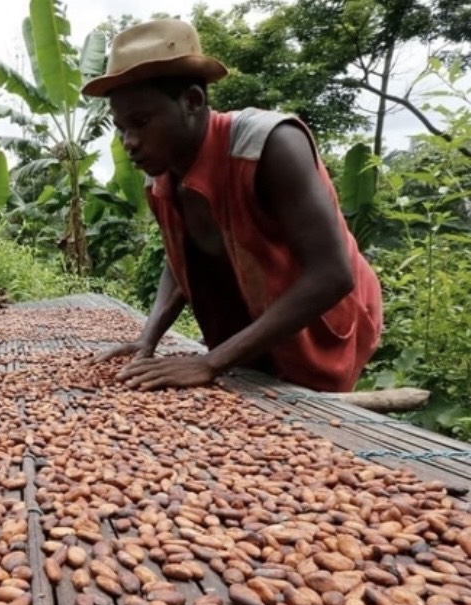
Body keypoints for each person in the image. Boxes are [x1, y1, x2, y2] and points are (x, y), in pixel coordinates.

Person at [85, 19, 382, 392]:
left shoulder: (270, 145)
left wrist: (210, 362)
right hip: (251, 317)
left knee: (311, 413)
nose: (129, 142)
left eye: (141, 122)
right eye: (121, 127)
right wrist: (149, 338)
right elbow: (179, 260)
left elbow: (333, 275)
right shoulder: (161, 176)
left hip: (325, 321)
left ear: (192, 101)